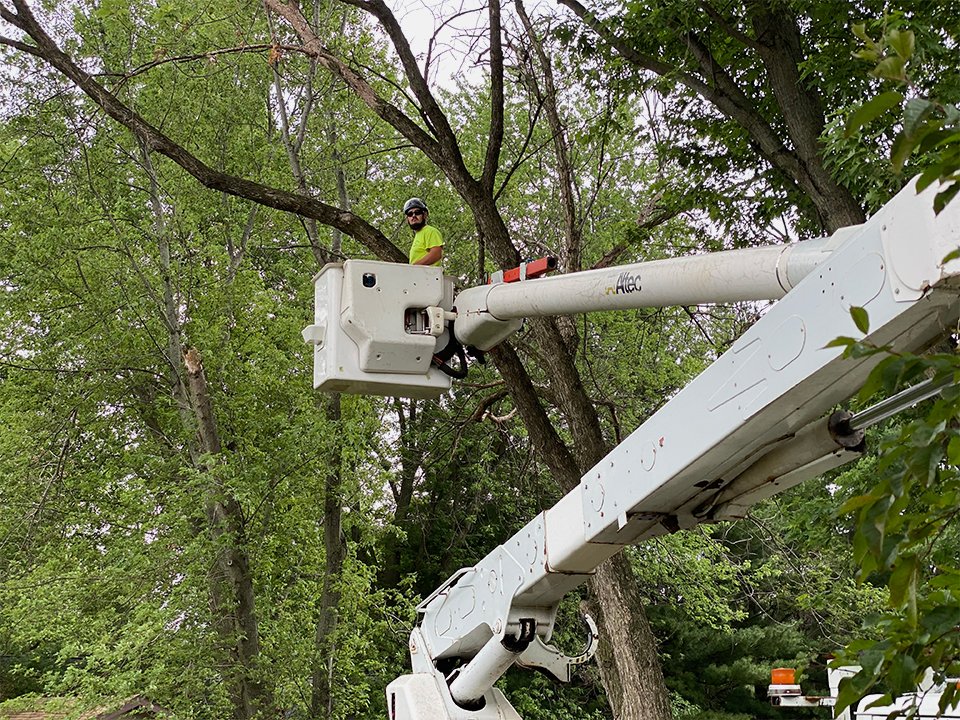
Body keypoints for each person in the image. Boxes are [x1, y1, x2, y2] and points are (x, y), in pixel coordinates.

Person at [404, 197, 444, 266]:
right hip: (419, 276)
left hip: (428, 276)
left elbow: (436, 254)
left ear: (425, 215)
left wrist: (414, 268)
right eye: (410, 214)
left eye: (417, 212)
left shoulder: (430, 231)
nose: (413, 216)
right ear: (407, 219)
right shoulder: (419, 234)